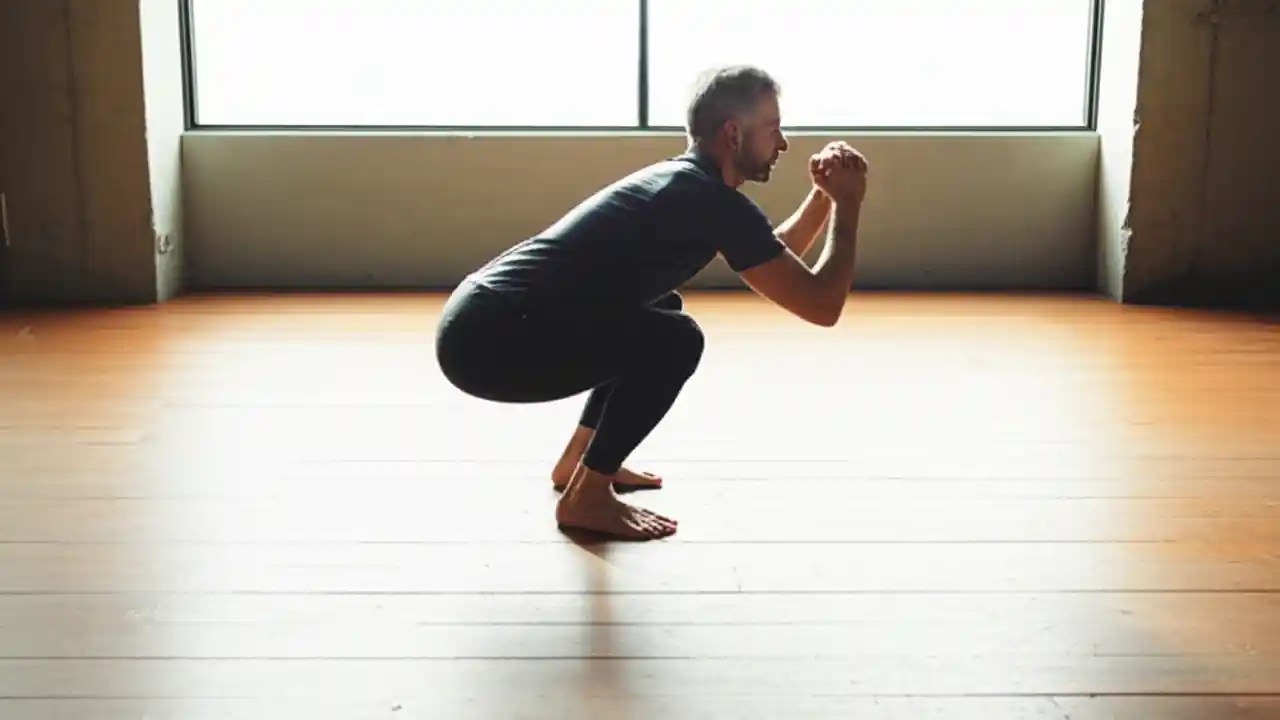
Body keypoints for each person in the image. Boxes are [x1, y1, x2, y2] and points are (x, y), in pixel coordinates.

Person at [435, 65, 868, 540]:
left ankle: (580, 463)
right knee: (675, 341)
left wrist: (824, 198)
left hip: (475, 320)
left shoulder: (685, 183)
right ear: (732, 134)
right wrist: (849, 205)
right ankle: (587, 497)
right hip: (489, 340)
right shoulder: (711, 201)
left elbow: (773, 258)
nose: (783, 144)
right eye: (773, 129)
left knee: (663, 311)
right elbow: (822, 305)